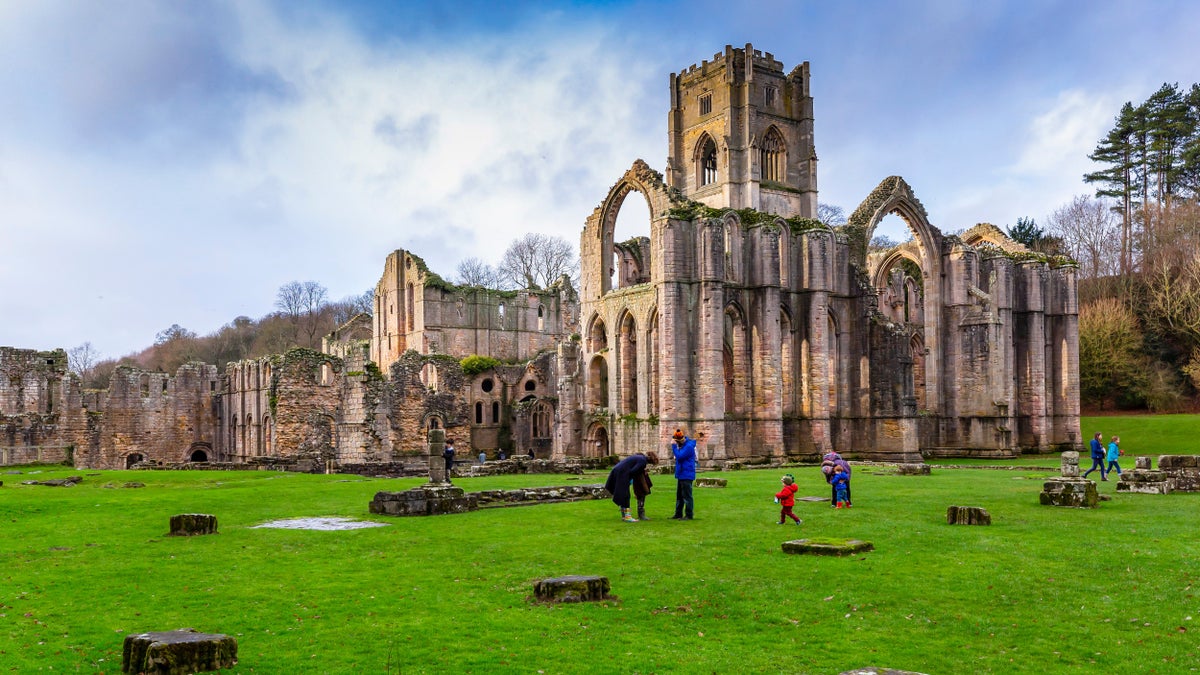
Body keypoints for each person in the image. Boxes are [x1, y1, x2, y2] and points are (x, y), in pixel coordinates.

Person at [604, 451, 659, 522]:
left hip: (618, 471)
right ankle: (627, 517)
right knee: (626, 495)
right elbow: (633, 471)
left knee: (623, 493)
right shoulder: (643, 461)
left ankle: (624, 515)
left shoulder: (640, 458)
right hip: (622, 473)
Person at [670, 429, 697, 520]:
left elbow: (680, 457)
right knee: (679, 496)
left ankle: (689, 514)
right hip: (681, 473)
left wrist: (674, 447)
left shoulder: (688, 447)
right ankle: (678, 513)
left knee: (687, 496)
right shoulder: (683, 446)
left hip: (687, 473)